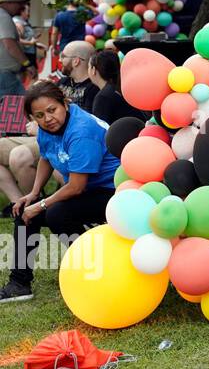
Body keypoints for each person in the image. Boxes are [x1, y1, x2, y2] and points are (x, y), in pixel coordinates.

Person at [0, 81, 120, 303]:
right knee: (24, 210)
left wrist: (42, 205)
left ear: (65, 103)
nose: (47, 118)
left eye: (52, 110)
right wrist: (34, 194)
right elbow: (47, 155)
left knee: (57, 215)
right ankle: (19, 284)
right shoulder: (48, 127)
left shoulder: (81, 130)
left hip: (114, 192)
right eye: (39, 115)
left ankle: (98, 269)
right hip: (88, 189)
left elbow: (76, 187)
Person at [88, 49, 148, 125]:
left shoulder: (104, 97)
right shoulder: (123, 87)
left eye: (88, 67)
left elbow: (101, 129)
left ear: (93, 70)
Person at [0, 0, 35, 96]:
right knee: (20, 106)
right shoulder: (3, 17)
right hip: (5, 74)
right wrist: (27, 64)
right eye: (20, 3)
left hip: (5, 73)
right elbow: (10, 44)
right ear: (10, 2)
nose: (22, 7)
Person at [57, 40, 99, 114]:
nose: (60, 60)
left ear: (76, 61)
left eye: (63, 56)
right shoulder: (62, 82)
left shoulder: (94, 88)